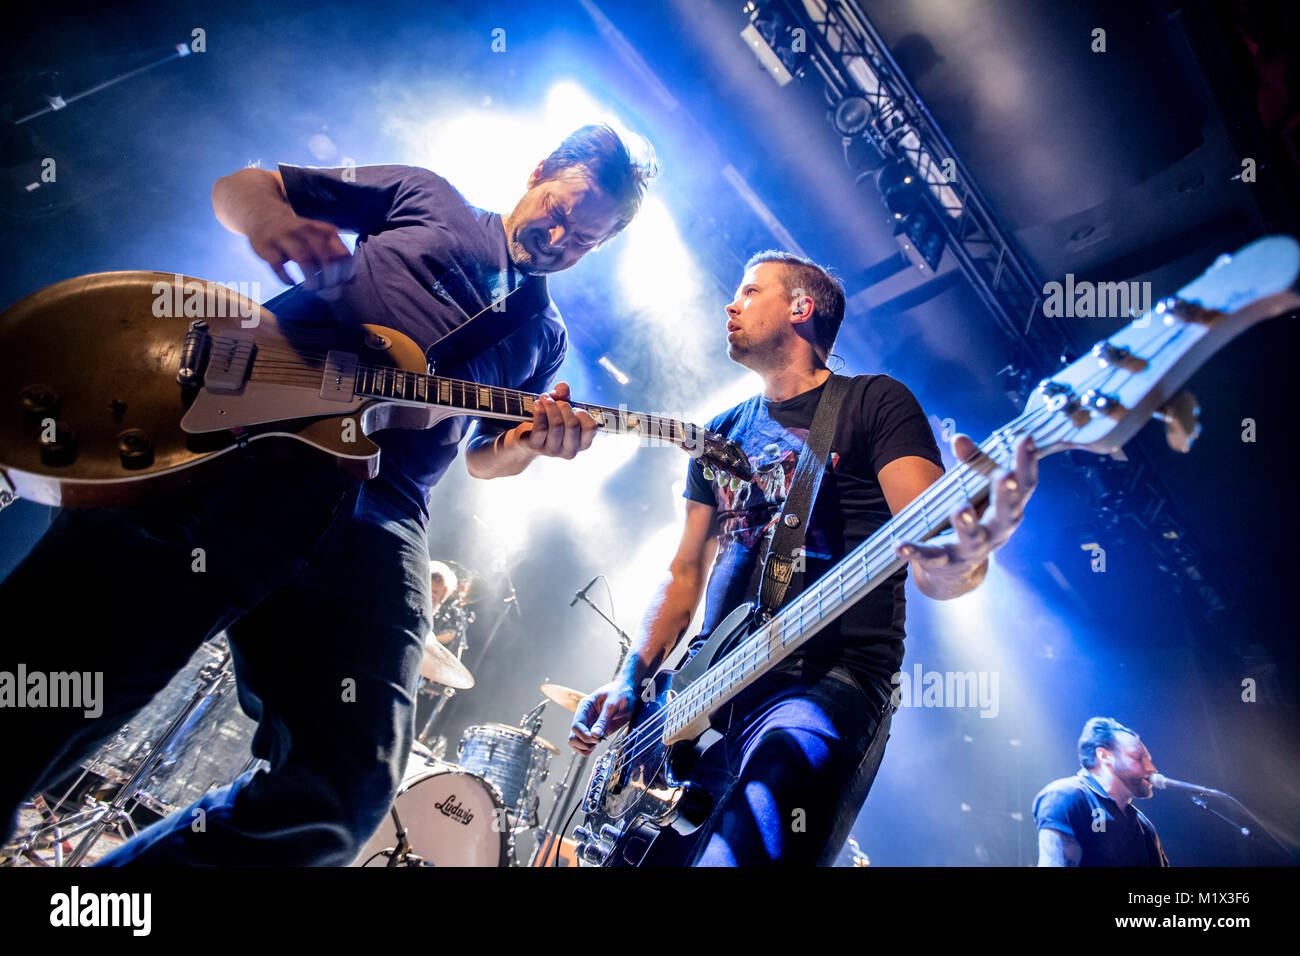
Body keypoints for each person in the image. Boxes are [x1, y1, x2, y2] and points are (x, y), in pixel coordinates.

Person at [0, 123, 655, 865]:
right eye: (561, 211)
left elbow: (482, 461)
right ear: (538, 171)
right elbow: (246, 184)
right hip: (250, 443)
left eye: (586, 241)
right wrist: (273, 221)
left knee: (340, 796)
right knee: (49, 680)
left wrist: (530, 446)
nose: (562, 239)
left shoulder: (545, 336)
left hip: (382, 512)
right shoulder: (427, 198)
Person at [569, 251, 1038, 865]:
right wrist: (633, 673)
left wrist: (968, 554)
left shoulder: (875, 403)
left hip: (825, 681)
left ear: (800, 307)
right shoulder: (720, 433)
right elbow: (685, 574)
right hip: (704, 691)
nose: (730, 305)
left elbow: (934, 553)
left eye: (749, 291)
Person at [1034, 717, 1170, 866]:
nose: (1152, 769)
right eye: (1139, 758)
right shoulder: (1066, 797)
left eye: (1149, 760)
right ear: (1104, 756)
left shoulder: (1144, 826)